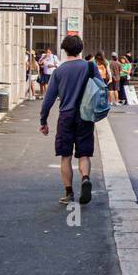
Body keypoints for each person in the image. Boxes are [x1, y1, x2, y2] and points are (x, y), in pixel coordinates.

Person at [39, 35, 96, 205]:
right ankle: (85, 178)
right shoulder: (90, 67)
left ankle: (69, 193)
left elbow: (48, 99)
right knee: (84, 153)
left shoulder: (59, 71)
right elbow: (101, 88)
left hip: (66, 115)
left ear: (64, 50)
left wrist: (43, 121)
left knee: (65, 155)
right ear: (81, 49)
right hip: (85, 115)